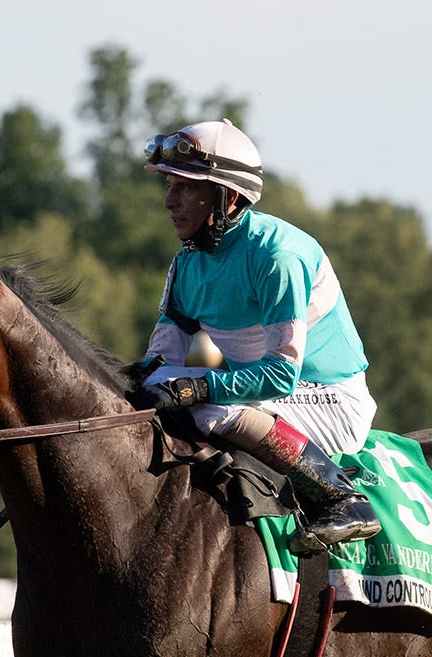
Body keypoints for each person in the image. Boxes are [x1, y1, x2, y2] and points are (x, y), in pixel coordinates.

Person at [137, 118, 381, 556]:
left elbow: (280, 377)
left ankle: (342, 499)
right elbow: (160, 361)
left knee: (209, 405)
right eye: (170, 186)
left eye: (184, 188)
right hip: (264, 395)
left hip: (330, 399)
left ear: (227, 196)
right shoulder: (187, 263)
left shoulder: (278, 257)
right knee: (153, 386)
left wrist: (198, 386)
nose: (168, 201)